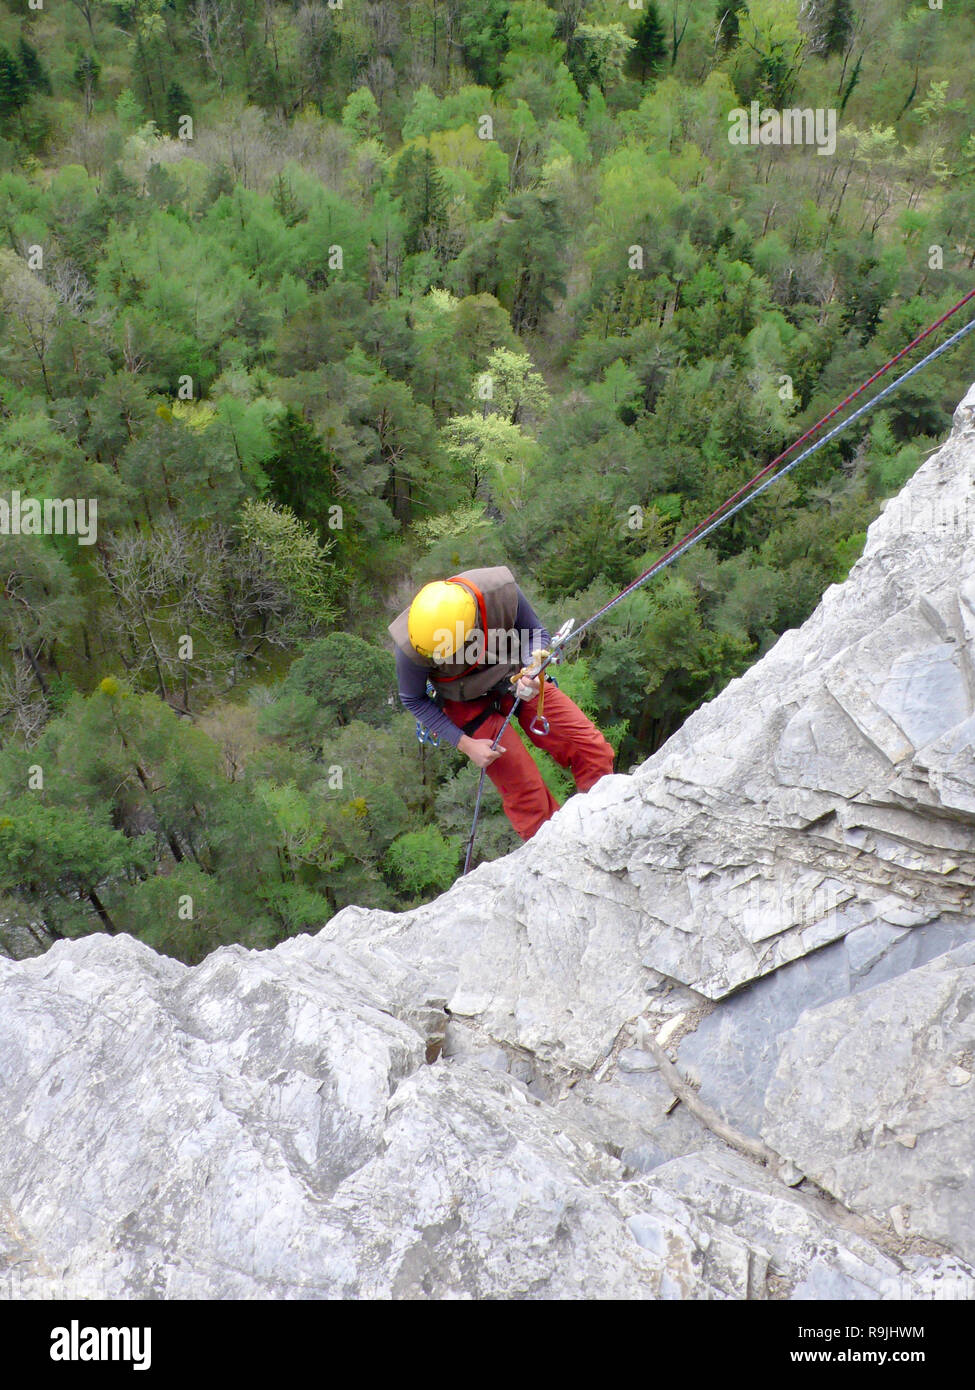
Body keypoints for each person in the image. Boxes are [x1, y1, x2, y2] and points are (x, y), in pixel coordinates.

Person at [389, 565, 614, 840]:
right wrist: (466, 744)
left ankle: (604, 826)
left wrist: (532, 669)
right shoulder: (411, 645)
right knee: (527, 797)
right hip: (466, 703)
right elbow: (413, 699)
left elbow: (535, 633)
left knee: (591, 750)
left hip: (515, 676)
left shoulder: (499, 592)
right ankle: (557, 853)